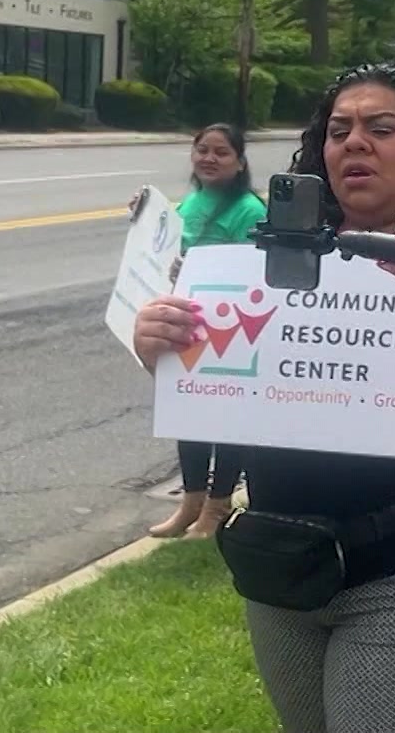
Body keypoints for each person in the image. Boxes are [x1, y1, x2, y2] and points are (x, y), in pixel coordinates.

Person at [130, 65, 395, 733]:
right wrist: (160, 341)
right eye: (339, 130)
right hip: (282, 571)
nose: (355, 143)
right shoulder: (260, 265)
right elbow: (218, 391)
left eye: (381, 129)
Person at [145, 123, 267, 540]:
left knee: (225, 420)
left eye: (221, 152)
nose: (209, 158)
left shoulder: (249, 209)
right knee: (190, 417)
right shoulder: (192, 201)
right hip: (186, 324)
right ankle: (190, 505)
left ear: (240, 162)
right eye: (202, 150)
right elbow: (165, 248)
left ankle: (217, 509)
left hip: (227, 332)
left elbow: (250, 271)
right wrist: (144, 217)